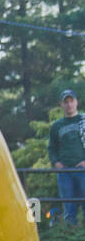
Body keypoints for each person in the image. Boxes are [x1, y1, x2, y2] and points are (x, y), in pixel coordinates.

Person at [49, 89, 85, 224]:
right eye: (66, 102)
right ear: (61, 105)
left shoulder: (83, 120)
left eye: (71, 101)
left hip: (83, 170)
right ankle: (70, 236)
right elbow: (52, 148)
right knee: (69, 208)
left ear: (76, 102)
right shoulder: (56, 126)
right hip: (65, 171)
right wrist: (56, 163)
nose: (69, 104)